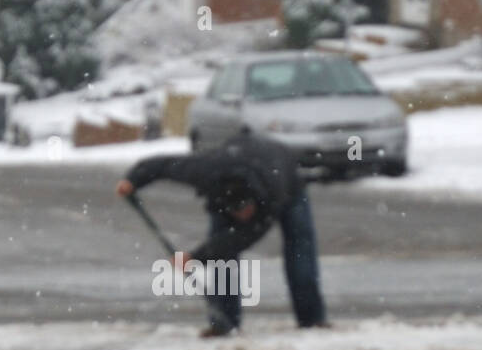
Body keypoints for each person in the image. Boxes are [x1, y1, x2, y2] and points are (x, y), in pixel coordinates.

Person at [117, 132, 328, 337]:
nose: (243, 216)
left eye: (246, 209)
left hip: (287, 178)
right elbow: (161, 165)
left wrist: (194, 257)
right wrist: (133, 180)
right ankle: (224, 322)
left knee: (299, 247)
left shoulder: (273, 193)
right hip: (227, 174)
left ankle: (311, 320)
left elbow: (237, 240)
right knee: (221, 259)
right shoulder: (202, 171)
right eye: (237, 210)